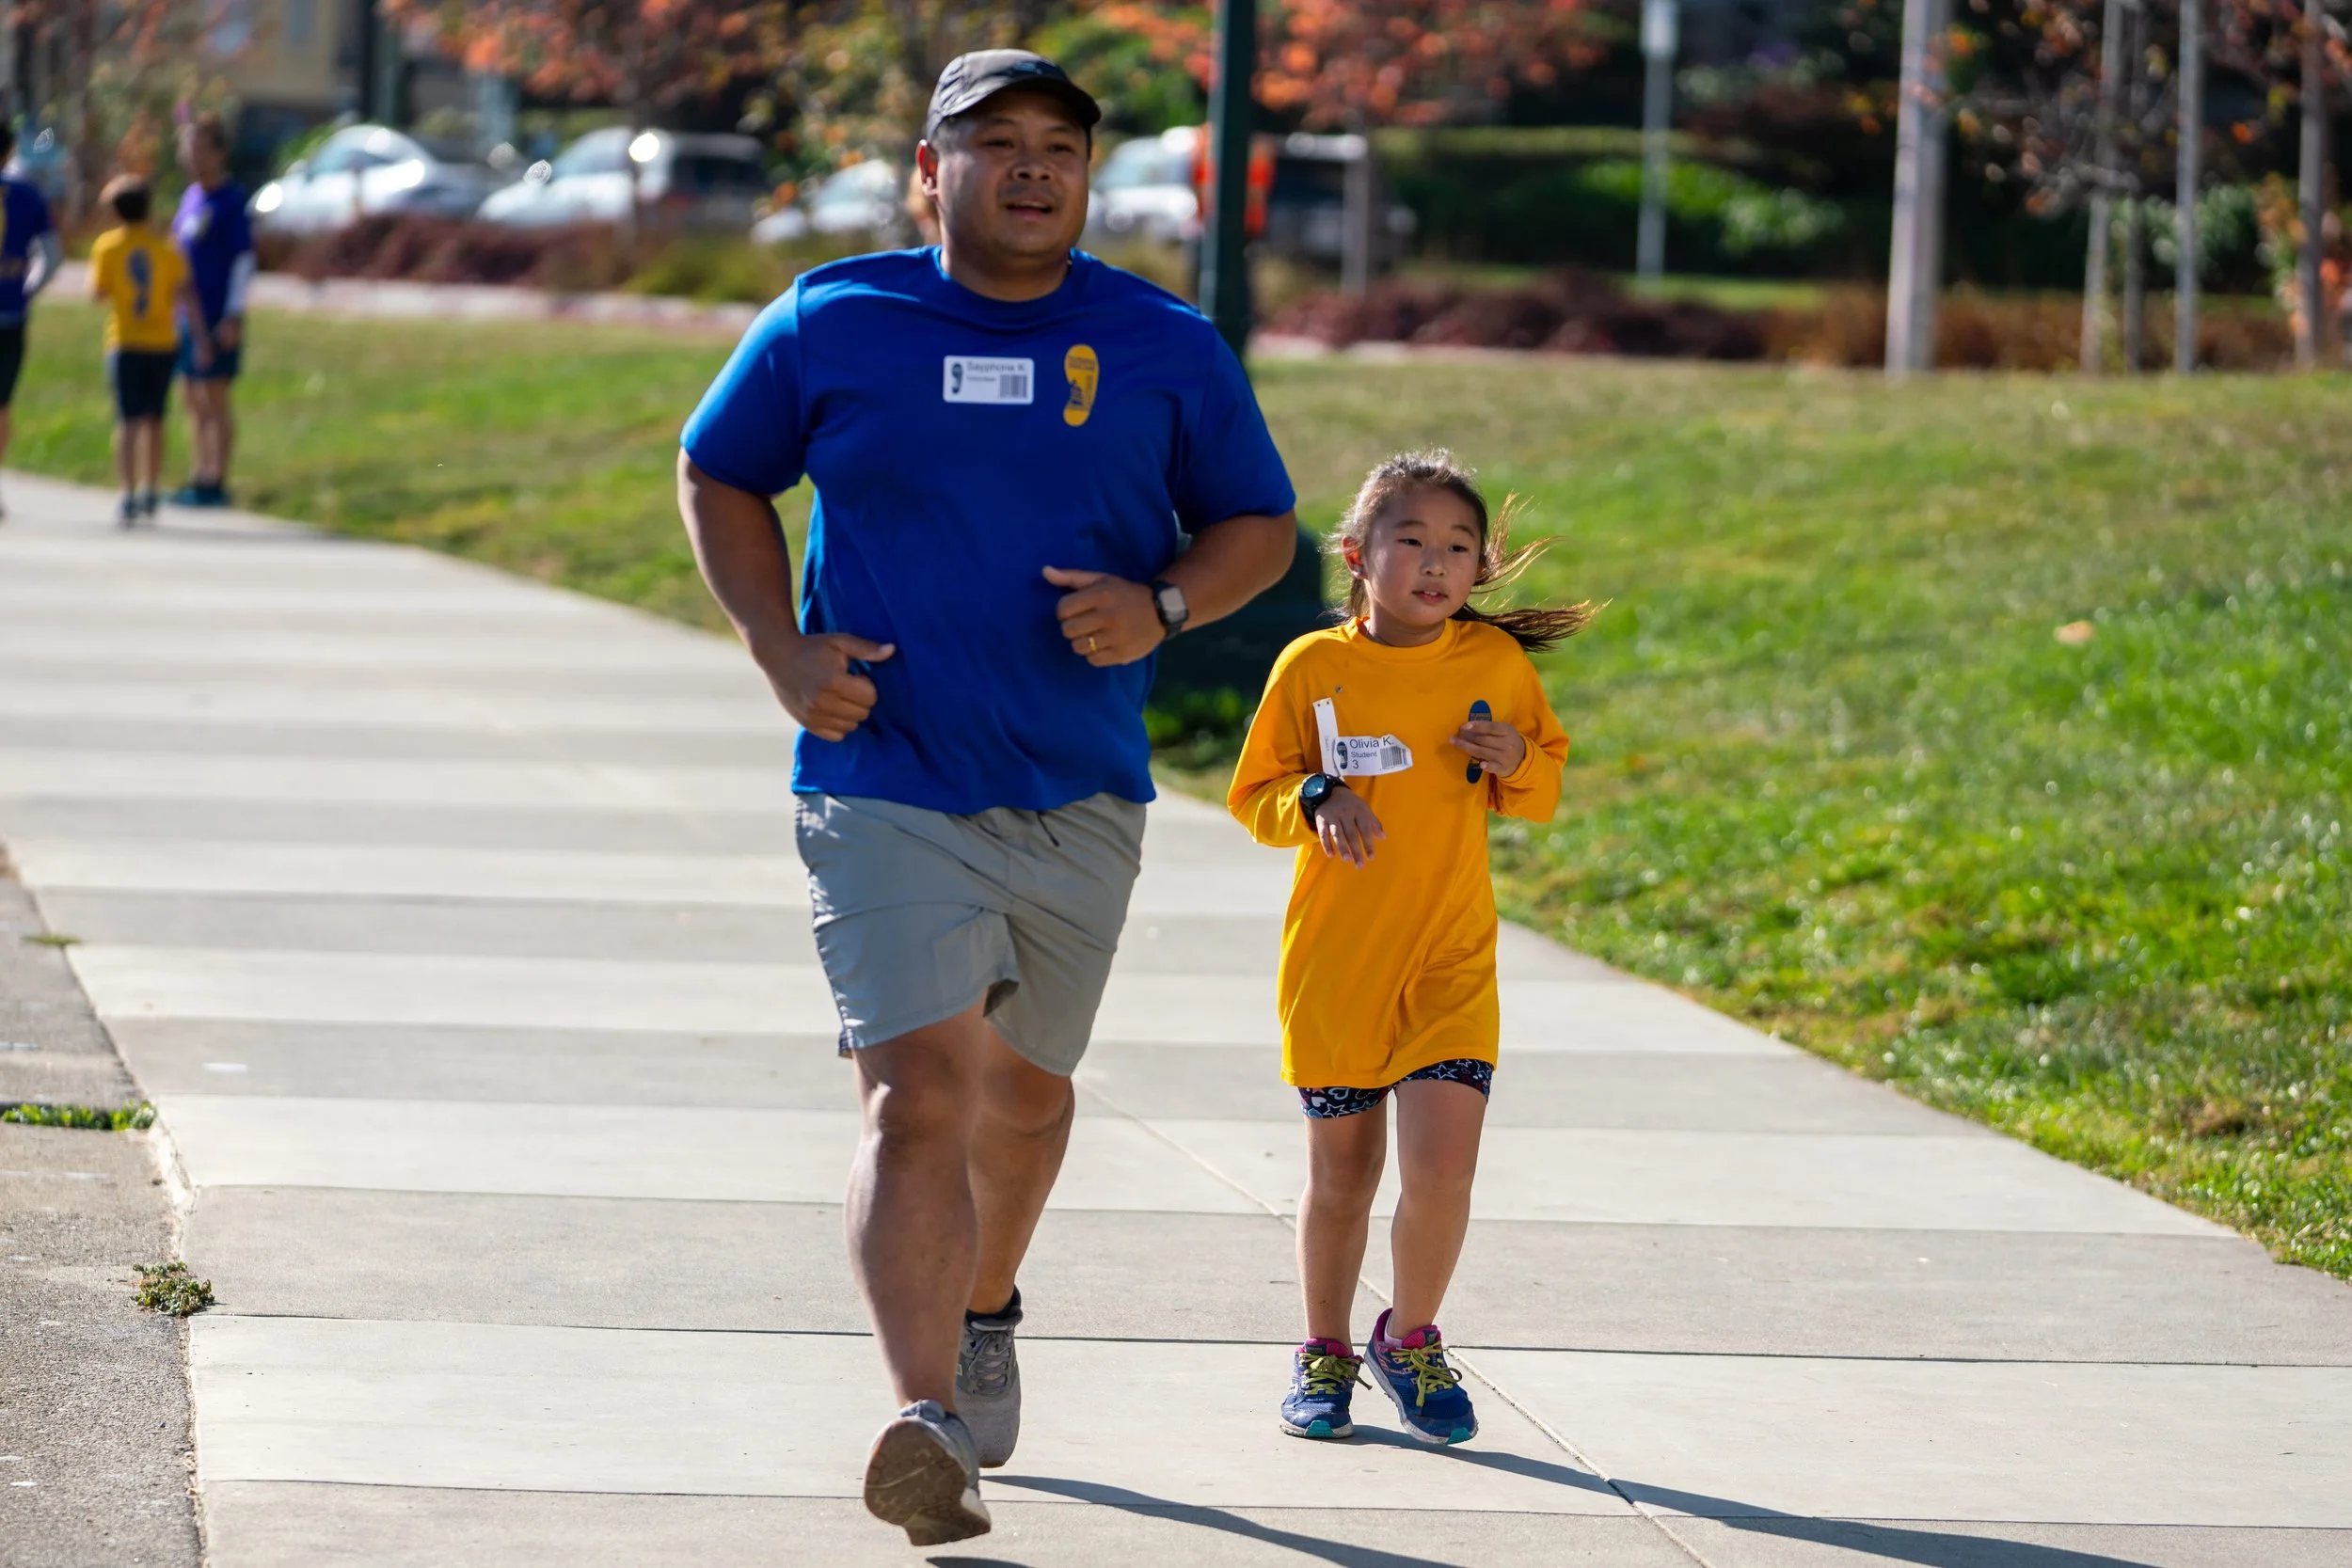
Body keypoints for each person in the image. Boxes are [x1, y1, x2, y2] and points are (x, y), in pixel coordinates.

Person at [675, 50, 1298, 1546]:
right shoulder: (833, 319)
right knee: (917, 1098)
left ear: (1086, 174)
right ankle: (925, 1418)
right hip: (881, 770)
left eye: (1058, 147)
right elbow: (718, 469)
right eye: (995, 141)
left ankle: (987, 1306)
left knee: (1021, 1093)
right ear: (929, 170)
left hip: (1077, 784)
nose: (1031, 166)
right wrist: (778, 647)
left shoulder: (1162, 341)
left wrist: (1163, 603)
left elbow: (1260, 522)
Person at [1226, 450, 1586, 1448]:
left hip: (1450, 958)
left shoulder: (1493, 667)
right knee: (1342, 1178)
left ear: (1480, 567)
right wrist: (1314, 793)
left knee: (1442, 1170)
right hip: (1339, 963)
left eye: (1458, 546)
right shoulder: (1312, 666)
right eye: (1412, 539)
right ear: (1357, 554)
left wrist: (1518, 756)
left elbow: (1541, 785)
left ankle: (1411, 1336)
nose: (1436, 562)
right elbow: (1253, 795)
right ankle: (1325, 1351)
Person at [89, 177, 209, 527]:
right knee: (155, 418)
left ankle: (127, 491)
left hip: (125, 340)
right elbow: (186, 293)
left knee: (127, 420)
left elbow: (98, 293)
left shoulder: (108, 247)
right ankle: (150, 487)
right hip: (162, 341)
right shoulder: (167, 248)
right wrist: (200, 338)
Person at [169, 112, 254, 507]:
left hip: (219, 313)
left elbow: (243, 260)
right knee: (191, 395)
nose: (193, 157)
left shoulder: (230, 200)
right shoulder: (191, 198)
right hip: (188, 315)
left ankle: (217, 479)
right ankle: (199, 472)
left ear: (219, 153)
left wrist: (233, 314)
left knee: (214, 395)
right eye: (188, 148)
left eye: (201, 148)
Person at [0, 120, 63, 519]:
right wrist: (28, 289)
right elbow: (52, 257)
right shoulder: (28, 195)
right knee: (2, 405)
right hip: (10, 313)